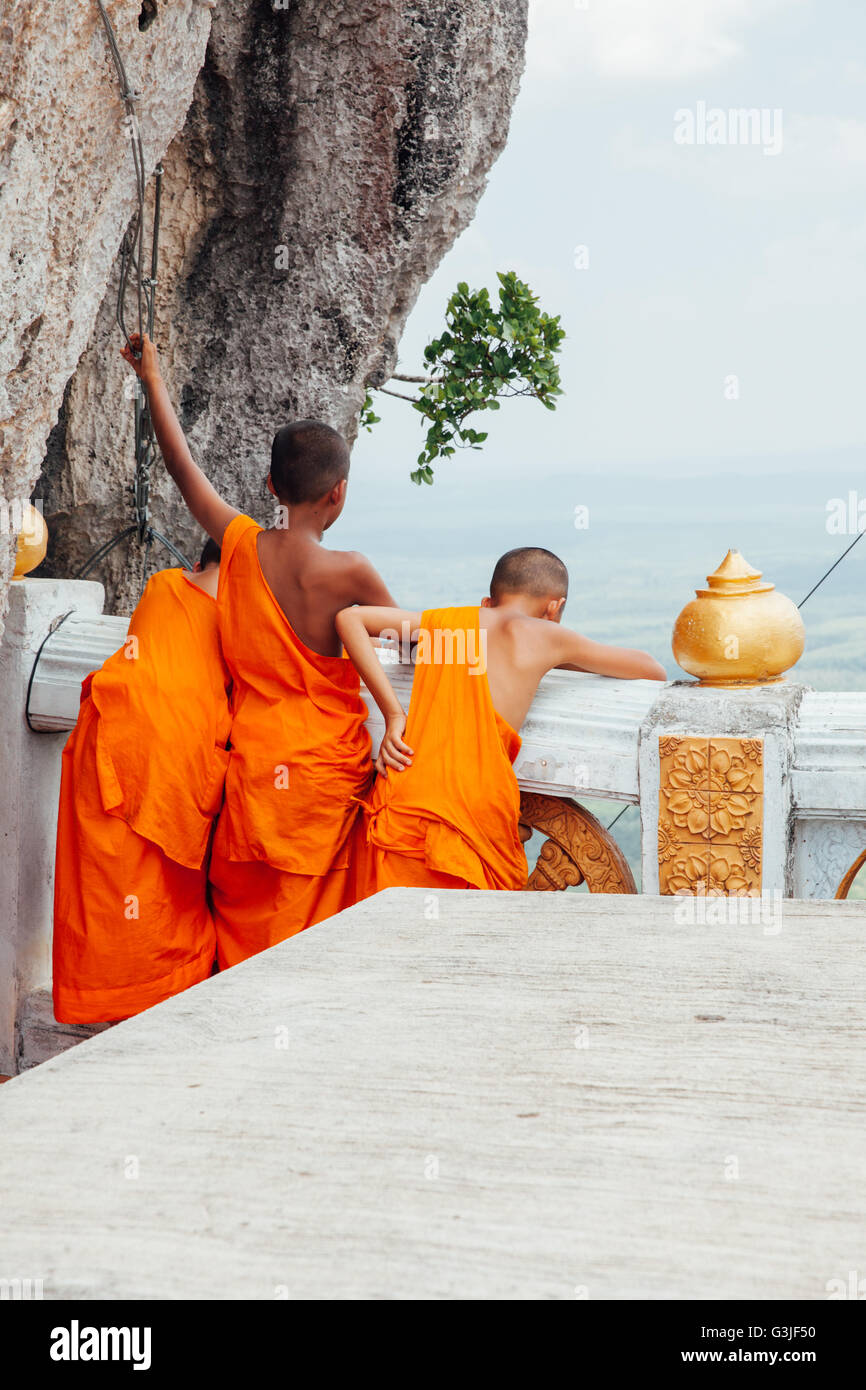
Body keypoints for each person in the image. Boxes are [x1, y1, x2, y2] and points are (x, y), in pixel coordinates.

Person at [120, 333, 396, 967]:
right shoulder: (352, 572)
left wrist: (152, 378)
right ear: (340, 493)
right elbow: (406, 636)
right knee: (308, 947)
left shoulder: (241, 545)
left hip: (251, 776)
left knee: (245, 948)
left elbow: (182, 467)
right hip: (320, 782)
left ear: (272, 484)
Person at [336, 545, 666, 895]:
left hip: (407, 793)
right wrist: (557, 657)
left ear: (488, 601)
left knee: (395, 927)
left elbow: (349, 620)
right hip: (475, 808)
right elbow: (652, 670)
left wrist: (393, 714)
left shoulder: (446, 626)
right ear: (554, 607)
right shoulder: (549, 637)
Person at [53, 540, 230, 1023]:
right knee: (162, 893)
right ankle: (161, 994)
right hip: (174, 761)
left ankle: (112, 999)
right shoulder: (242, 611)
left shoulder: (164, 584)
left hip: (110, 736)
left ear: (198, 562)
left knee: (110, 884)